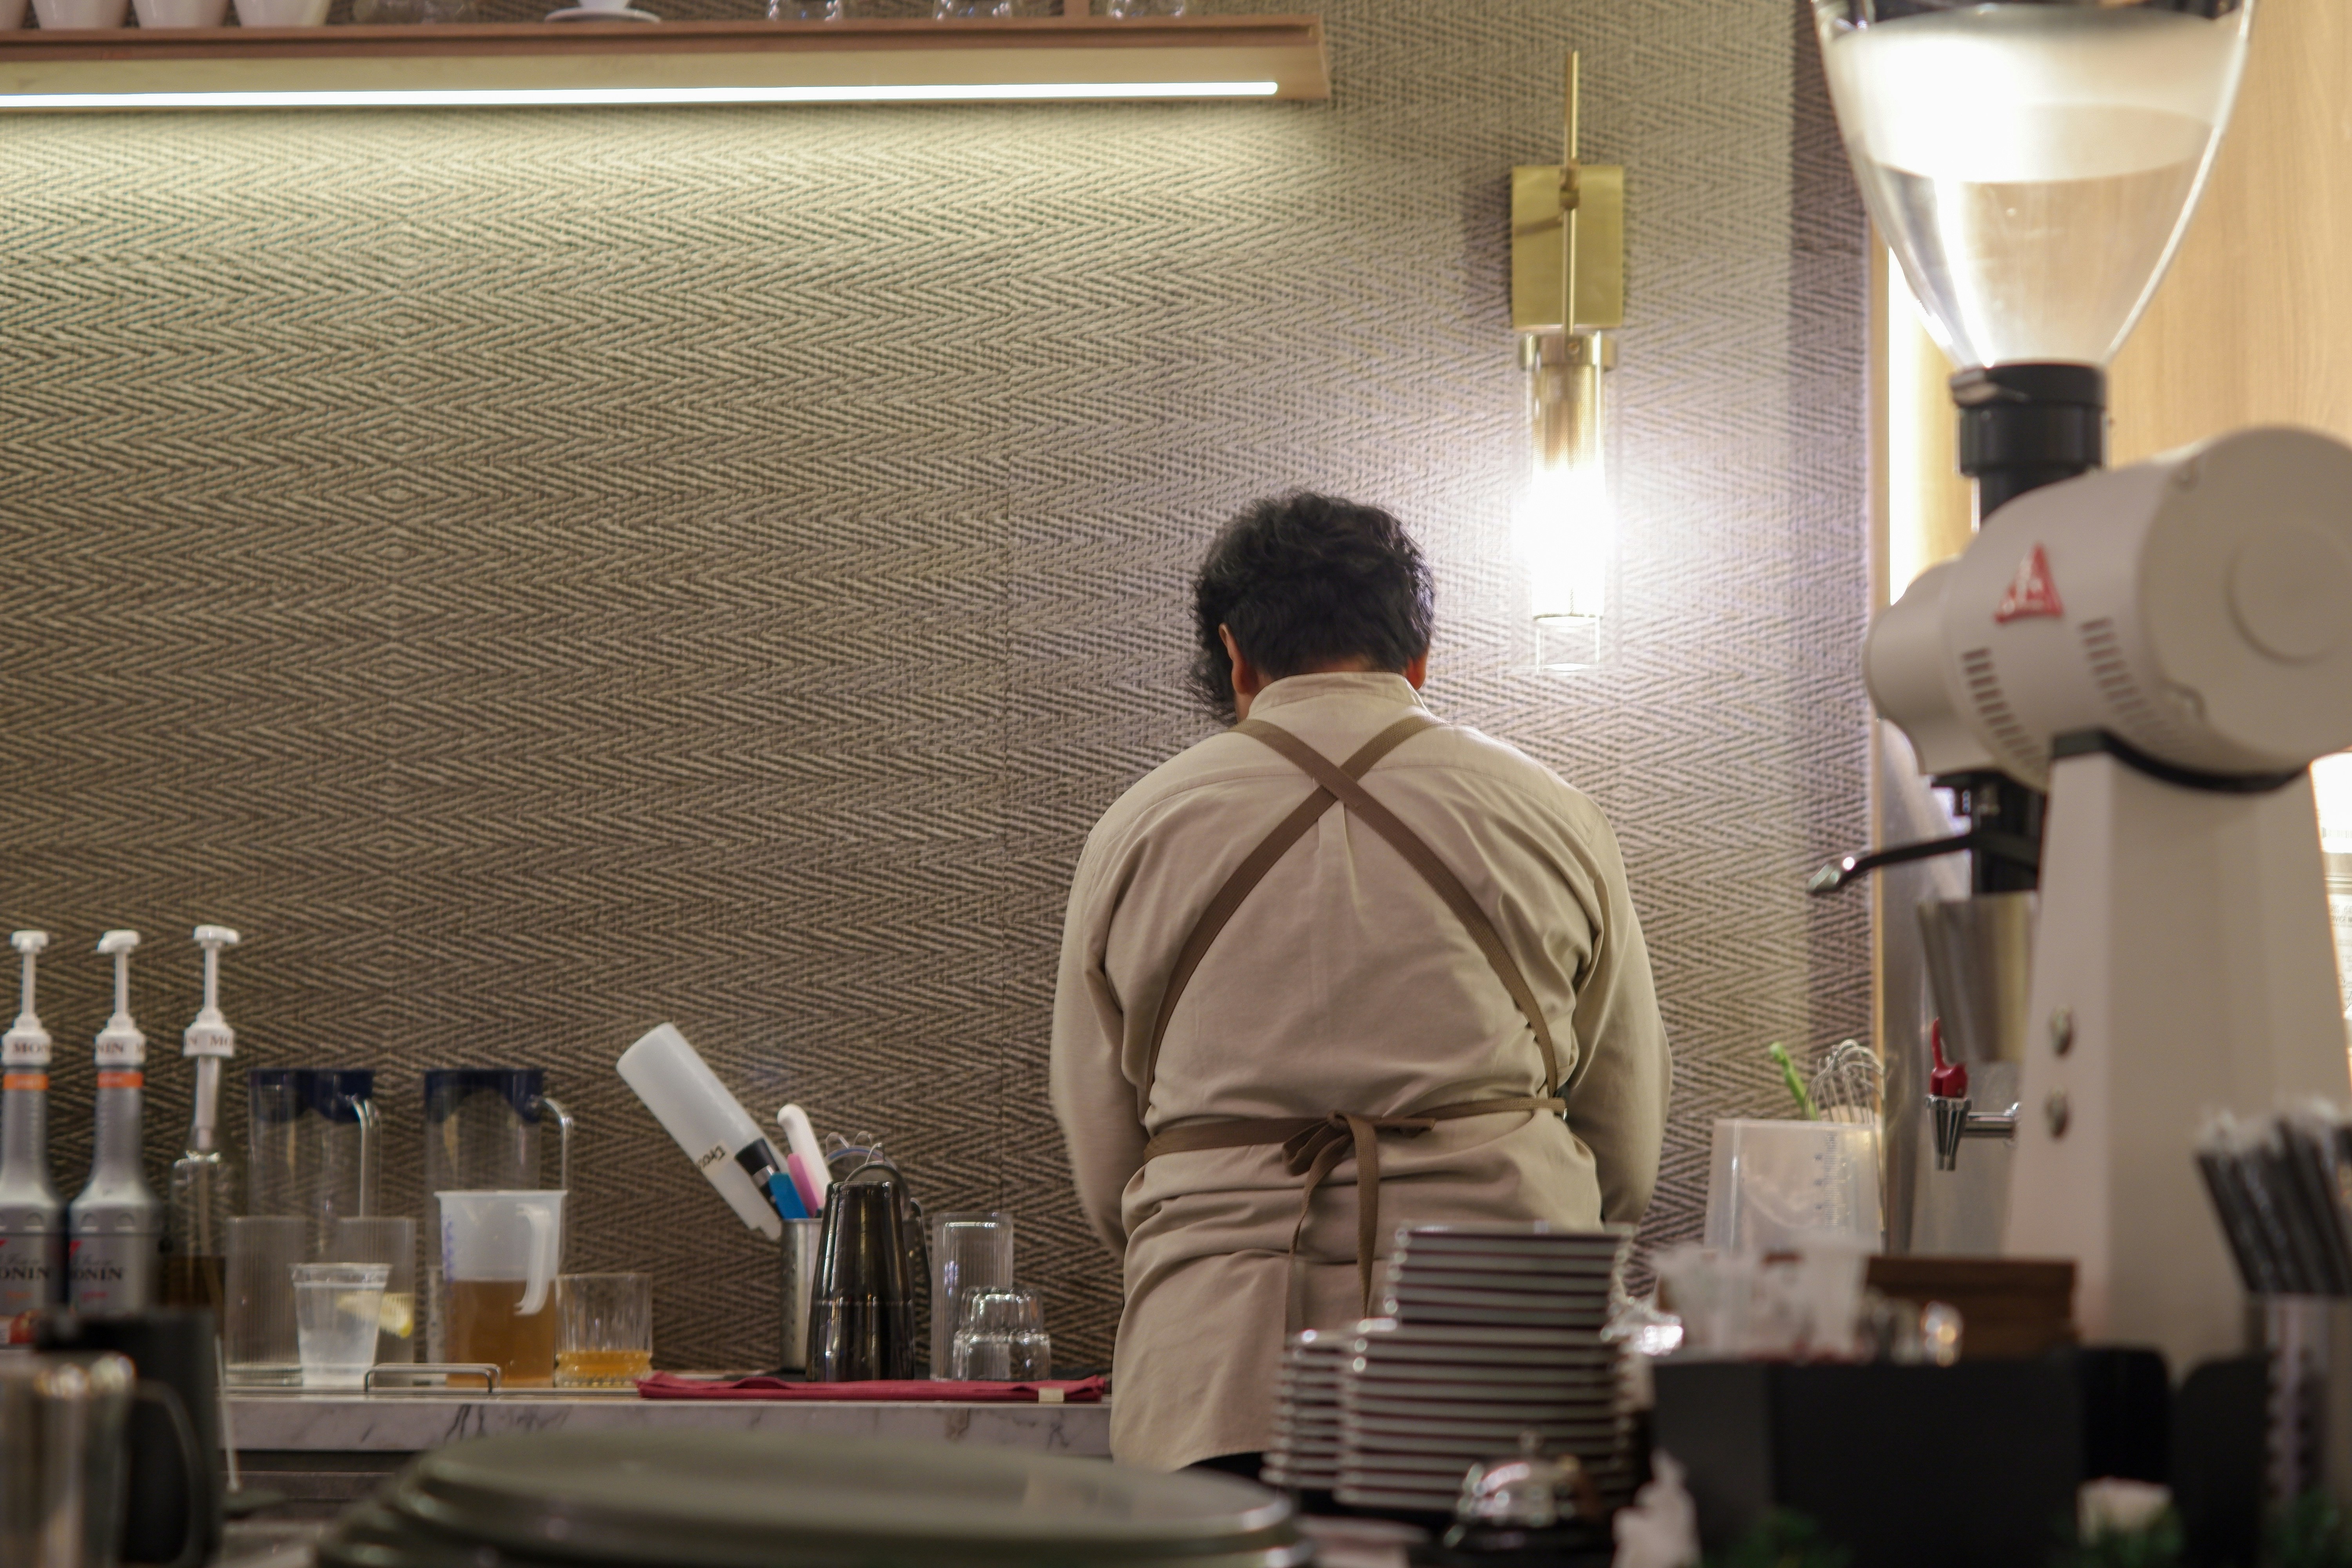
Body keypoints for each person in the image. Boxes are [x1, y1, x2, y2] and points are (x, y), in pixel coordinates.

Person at [1050, 492, 1670, 1473]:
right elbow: (1623, 1134)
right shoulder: (1550, 812)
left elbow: (1106, 1158)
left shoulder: (1139, 827)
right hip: (1506, 1357)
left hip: (1218, 1368)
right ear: (1416, 661)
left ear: (1236, 658)